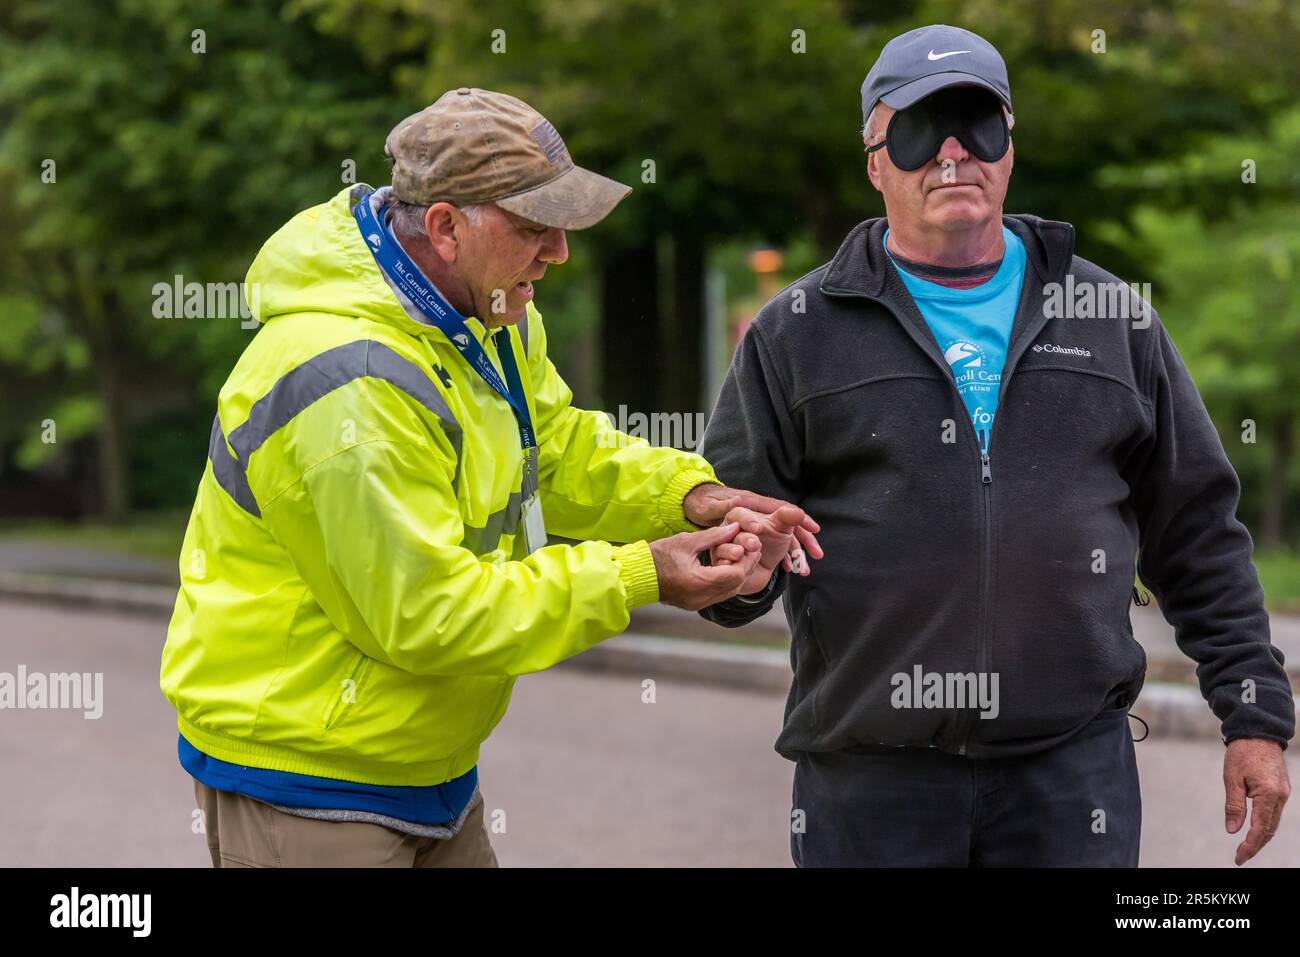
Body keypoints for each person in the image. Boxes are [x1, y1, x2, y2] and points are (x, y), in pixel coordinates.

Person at [159, 87, 818, 867]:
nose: (561, 252)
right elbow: (429, 612)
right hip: (310, 779)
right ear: (444, 227)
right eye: (536, 226)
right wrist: (643, 575)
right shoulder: (351, 382)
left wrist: (694, 496)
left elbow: (557, 446)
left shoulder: (484, 311)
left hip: (421, 764)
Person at [699, 24, 1292, 867]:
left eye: (976, 125)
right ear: (874, 162)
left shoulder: (1112, 318)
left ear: (1008, 148)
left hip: (1070, 778)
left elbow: (1197, 531)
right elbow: (726, 536)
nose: (951, 154)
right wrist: (737, 572)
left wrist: (1255, 715)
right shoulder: (795, 333)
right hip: (871, 785)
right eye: (916, 131)